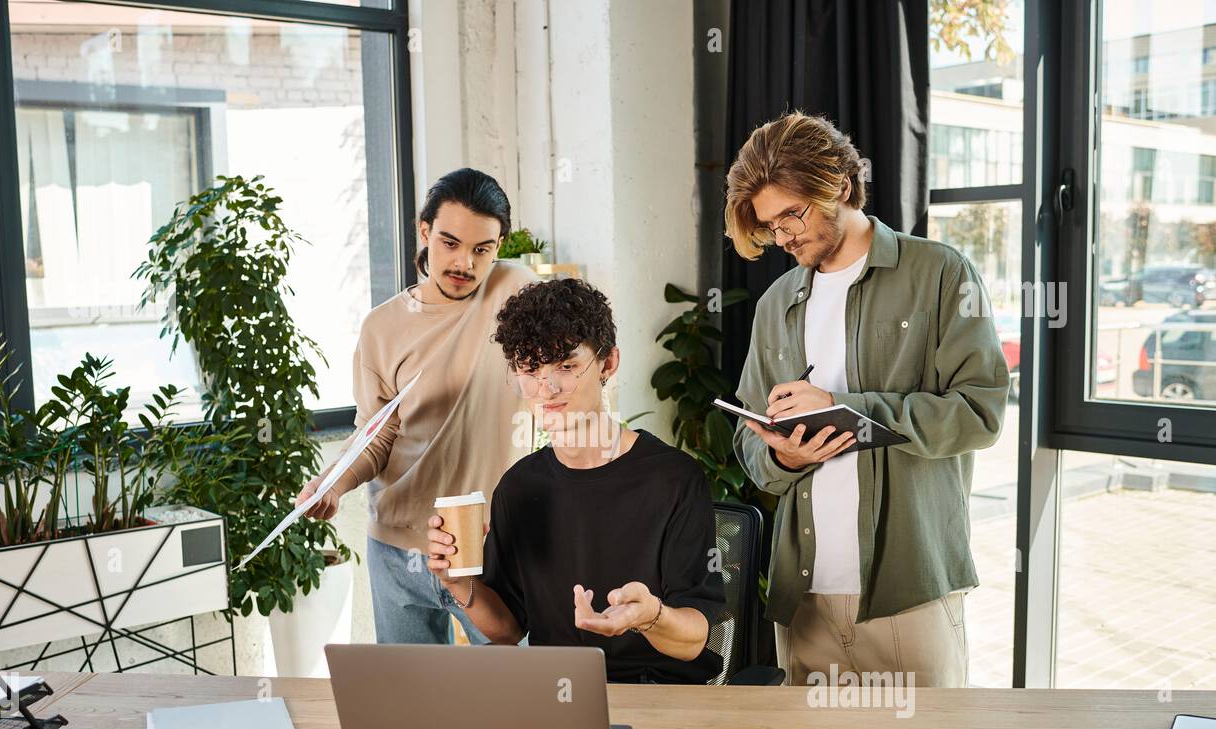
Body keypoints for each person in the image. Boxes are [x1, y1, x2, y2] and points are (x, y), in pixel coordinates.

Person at [724, 110, 1008, 688]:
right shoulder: (776, 304)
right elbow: (747, 444)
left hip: (911, 594)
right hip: (804, 602)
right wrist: (783, 457)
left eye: (791, 215)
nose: (784, 238)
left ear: (844, 187)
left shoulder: (939, 273)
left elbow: (981, 413)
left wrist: (853, 409)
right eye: (771, 227)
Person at [425, 278, 726, 683]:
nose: (547, 389)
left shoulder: (673, 479)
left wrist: (649, 615)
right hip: (560, 697)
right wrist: (460, 582)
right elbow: (509, 629)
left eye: (566, 366)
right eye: (530, 369)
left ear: (608, 363)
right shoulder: (519, 488)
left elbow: (695, 641)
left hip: (660, 695)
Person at [297, 168, 537, 645]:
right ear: (424, 232)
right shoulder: (382, 328)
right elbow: (377, 433)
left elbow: (569, 367)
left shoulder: (516, 292)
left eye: (481, 250)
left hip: (489, 542)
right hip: (397, 546)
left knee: (517, 695)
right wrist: (335, 482)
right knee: (410, 705)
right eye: (450, 243)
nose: (464, 263)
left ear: (500, 246)